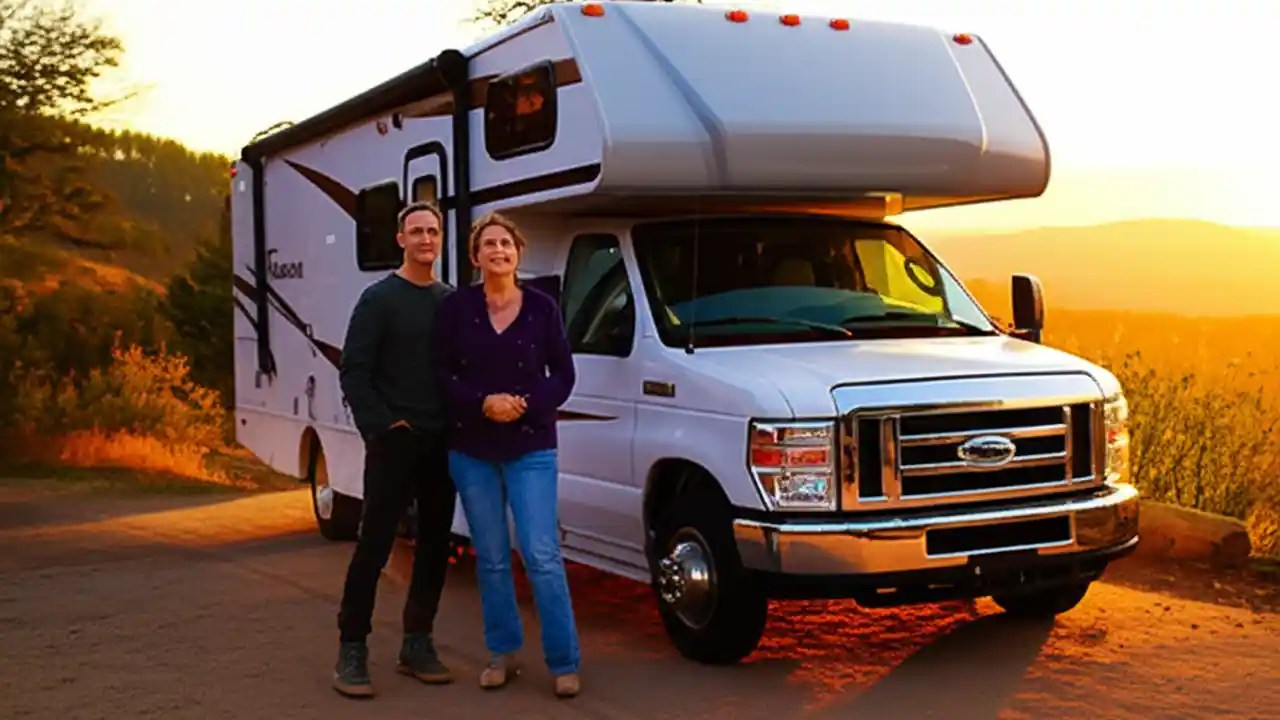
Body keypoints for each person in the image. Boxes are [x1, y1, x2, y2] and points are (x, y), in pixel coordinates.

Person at [434, 212, 582, 699]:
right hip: (473, 448)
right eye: (488, 244)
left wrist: (525, 405)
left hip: (531, 445)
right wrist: (482, 404)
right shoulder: (456, 309)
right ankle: (502, 653)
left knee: (541, 554)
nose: (498, 250)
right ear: (475, 257)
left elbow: (562, 374)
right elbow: (441, 374)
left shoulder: (542, 309)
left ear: (518, 253)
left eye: (506, 243)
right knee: (492, 558)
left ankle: (564, 661)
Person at [332, 200, 458, 698]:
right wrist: (382, 426)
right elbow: (354, 370)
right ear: (401, 240)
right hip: (394, 443)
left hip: (440, 442)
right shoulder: (378, 299)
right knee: (375, 544)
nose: (426, 239)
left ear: (441, 239)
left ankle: (417, 643)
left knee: (434, 546)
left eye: (433, 231)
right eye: (417, 232)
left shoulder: (449, 301)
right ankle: (351, 647)